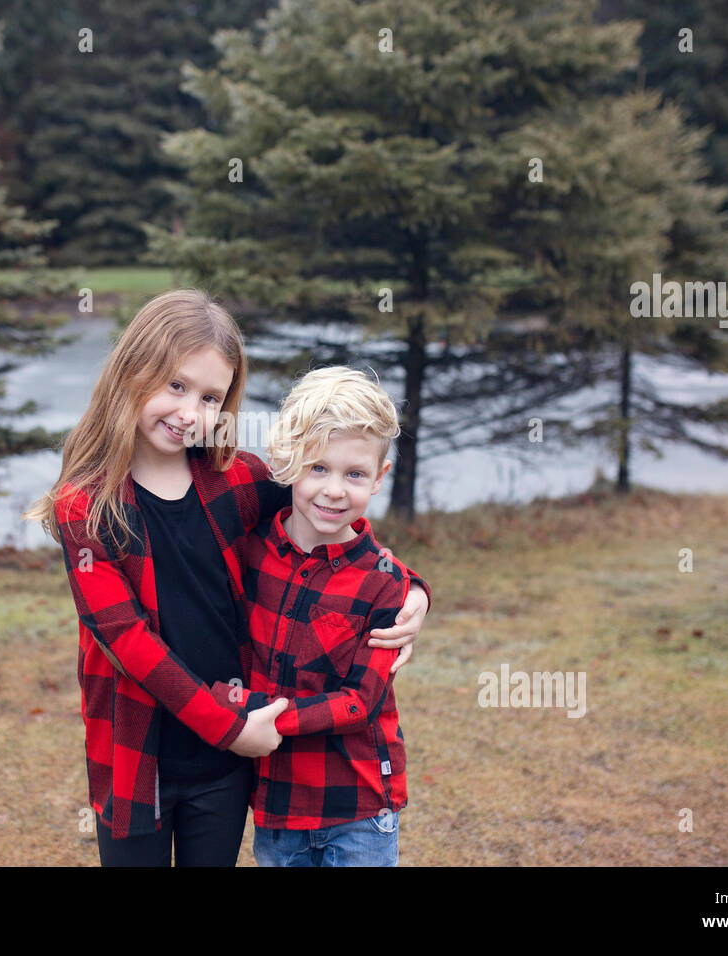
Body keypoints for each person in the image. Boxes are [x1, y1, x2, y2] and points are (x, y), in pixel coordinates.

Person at [24, 289, 431, 867]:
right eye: (176, 386)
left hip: (225, 766)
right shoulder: (86, 507)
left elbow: (326, 520)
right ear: (131, 371)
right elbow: (128, 642)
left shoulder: (239, 479)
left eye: (212, 397)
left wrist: (412, 589)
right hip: (137, 754)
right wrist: (228, 727)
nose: (191, 413)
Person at [218, 366, 416, 866]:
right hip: (277, 806)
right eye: (317, 468)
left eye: (355, 474)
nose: (333, 490)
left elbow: (359, 703)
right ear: (287, 462)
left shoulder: (384, 581)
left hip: (358, 807)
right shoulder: (255, 548)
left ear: (379, 477)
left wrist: (261, 716)